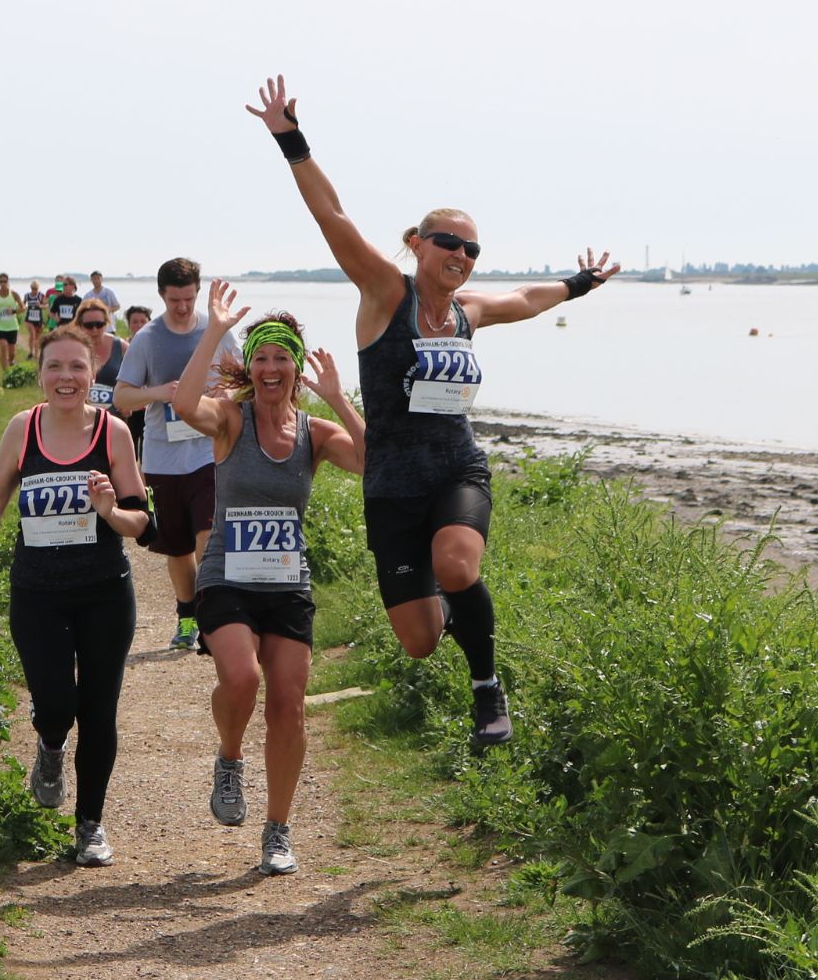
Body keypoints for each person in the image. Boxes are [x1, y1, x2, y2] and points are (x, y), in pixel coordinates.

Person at [246, 75, 619, 746]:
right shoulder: (385, 294)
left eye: (472, 250)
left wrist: (580, 283)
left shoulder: (469, 311)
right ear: (418, 244)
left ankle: (487, 690)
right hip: (392, 486)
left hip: (455, 470)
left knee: (457, 566)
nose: (462, 256)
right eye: (449, 242)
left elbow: (528, 300)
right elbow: (334, 219)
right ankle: (455, 611)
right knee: (418, 641)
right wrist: (292, 142)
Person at [174, 281, 366, 876]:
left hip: (286, 585)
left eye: (282, 356)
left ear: (296, 366)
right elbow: (184, 405)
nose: (270, 367)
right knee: (241, 678)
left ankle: (277, 830)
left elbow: (373, 463)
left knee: (289, 707)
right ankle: (230, 756)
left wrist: (338, 400)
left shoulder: (314, 434)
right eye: (260, 356)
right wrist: (213, 330)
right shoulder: (231, 420)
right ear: (249, 367)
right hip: (227, 577)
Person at [0, 324, 150, 868]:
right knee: (56, 704)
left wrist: (109, 511)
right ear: (39, 373)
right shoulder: (24, 428)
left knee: (99, 710)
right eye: (54, 366)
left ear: (93, 373)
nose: (66, 377)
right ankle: (50, 743)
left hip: (104, 593)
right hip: (37, 593)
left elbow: (141, 521)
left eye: (77, 367)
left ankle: (90, 825)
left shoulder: (112, 433)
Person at [115, 258, 240, 650]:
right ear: (161, 296)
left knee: (208, 537)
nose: (183, 307)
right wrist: (159, 393)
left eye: (189, 299)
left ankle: (210, 619)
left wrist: (227, 393)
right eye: (174, 301)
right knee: (178, 546)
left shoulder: (215, 330)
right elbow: (122, 397)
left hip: (209, 451)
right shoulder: (148, 339)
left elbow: (243, 379)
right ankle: (186, 618)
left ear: (198, 293)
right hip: (163, 459)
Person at [77, 298, 127, 414]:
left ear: (106, 324)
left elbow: (140, 379)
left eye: (99, 325)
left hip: (115, 417)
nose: (94, 330)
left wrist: (129, 401)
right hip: (81, 417)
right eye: (89, 326)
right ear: (80, 325)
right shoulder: (72, 349)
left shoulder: (121, 347)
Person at [122, 305, 154, 457]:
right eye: (134, 322)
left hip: (150, 407)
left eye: (143, 321)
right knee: (130, 450)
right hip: (130, 407)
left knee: (147, 451)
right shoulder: (123, 347)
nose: (139, 325)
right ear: (129, 325)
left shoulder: (157, 347)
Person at [0, 272, 24, 371]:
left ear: (8, 281)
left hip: (12, 326)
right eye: (1, 282)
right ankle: (5, 373)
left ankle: (11, 361)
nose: (3, 283)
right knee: (3, 346)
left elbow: (23, 308)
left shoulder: (14, 294)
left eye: (5, 281)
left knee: (12, 353)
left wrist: (14, 311)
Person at [24, 280, 46, 358]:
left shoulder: (41, 295)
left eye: (35, 289)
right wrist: (25, 307)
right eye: (33, 288)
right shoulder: (27, 295)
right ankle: (31, 352)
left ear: (38, 288)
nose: (34, 290)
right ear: (31, 288)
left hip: (39, 319)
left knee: (37, 337)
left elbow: (46, 305)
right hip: (29, 319)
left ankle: (36, 355)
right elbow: (22, 305)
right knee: (32, 334)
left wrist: (40, 306)